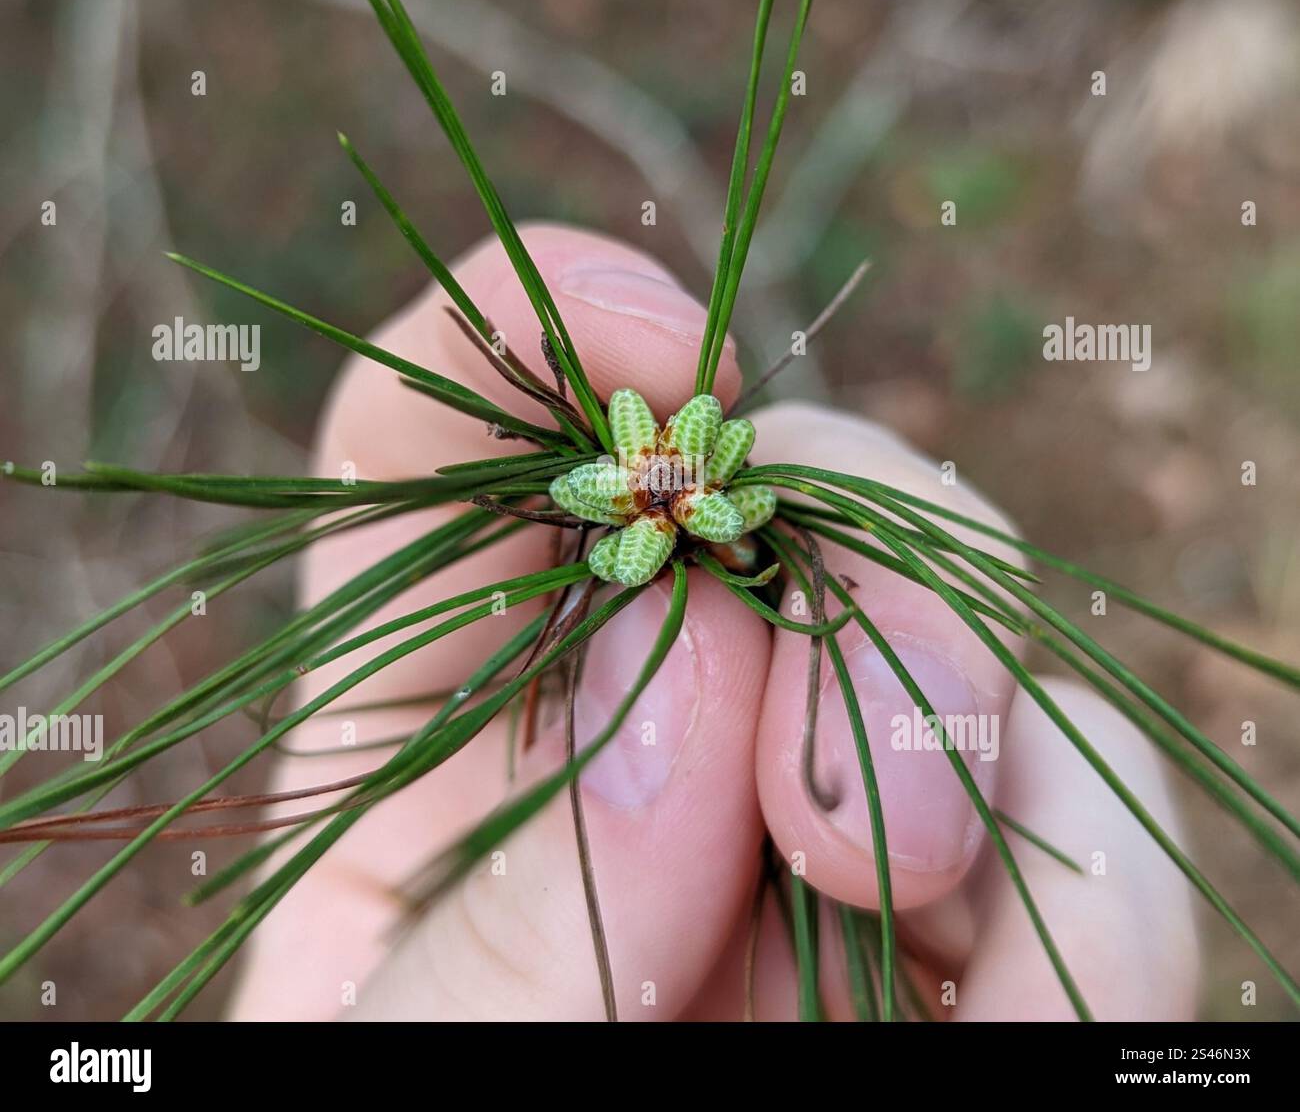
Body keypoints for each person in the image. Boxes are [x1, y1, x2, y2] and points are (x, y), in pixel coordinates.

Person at [227, 225, 1196, 1021]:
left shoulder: (684, 502)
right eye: (652, 483)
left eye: (673, 480)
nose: (662, 481)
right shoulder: (634, 524)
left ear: (691, 477)